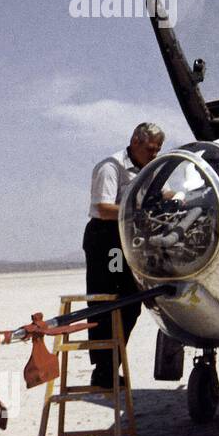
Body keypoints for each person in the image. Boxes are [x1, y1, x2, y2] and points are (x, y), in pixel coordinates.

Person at [84, 122, 165, 387]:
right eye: (150, 149)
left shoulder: (146, 170)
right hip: (107, 240)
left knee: (130, 303)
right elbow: (103, 207)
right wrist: (135, 212)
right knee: (110, 300)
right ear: (135, 142)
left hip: (127, 239)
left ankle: (110, 366)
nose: (154, 155)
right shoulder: (111, 167)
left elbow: (160, 192)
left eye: (158, 150)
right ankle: (103, 369)